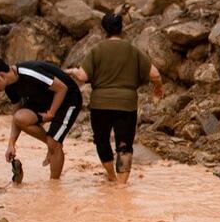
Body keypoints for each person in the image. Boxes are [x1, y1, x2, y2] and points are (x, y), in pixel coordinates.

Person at [66, 12, 163, 184]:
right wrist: (158, 89)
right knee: (124, 145)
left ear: (104, 30)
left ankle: (111, 176)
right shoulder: (132, 50)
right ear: (122, 28)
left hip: (100, 105)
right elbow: (154, 74)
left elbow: (82, 77)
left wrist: (73, 71)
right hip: (127, 104)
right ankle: (121, 186)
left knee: (102, 141)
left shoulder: (97, 50)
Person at [0, 57, 82, 181]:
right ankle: (52, 147)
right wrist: (11, 144)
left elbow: (62, 88)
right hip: (44, 101)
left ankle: (54, 185)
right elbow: (16, 114)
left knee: (54, 142)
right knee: (20, 117)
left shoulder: (31, 72)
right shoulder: (9, 86)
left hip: (68, 99)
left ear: (1, 75)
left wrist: (51, 113)